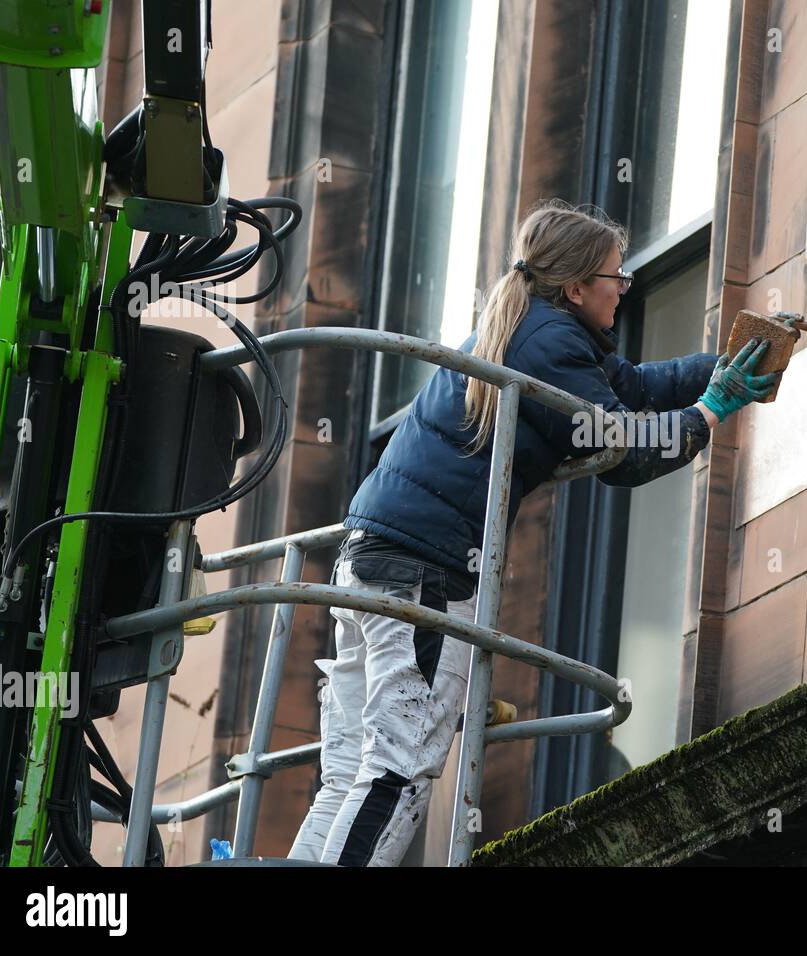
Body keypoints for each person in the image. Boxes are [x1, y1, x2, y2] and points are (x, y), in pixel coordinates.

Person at [288, 200, 778, 866]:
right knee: (401, 766)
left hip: (373, 557)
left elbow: (629, 386)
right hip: (427, 571)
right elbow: (625, 452)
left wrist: (716, 370)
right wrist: (708, 415)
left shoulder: (531, 329)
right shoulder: (551, 343)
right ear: (577, 287)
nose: (624, 289)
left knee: (352, 765)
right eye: (616, 276)